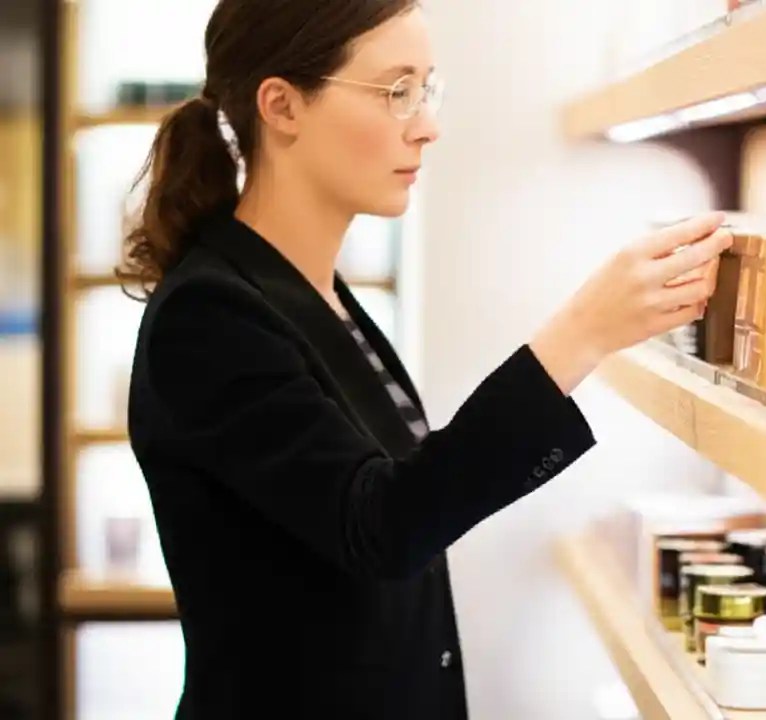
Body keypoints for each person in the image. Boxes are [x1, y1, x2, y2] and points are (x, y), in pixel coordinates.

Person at [120, 1, 730, 718]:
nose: (427, 123)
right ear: (282, 106)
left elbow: (402, 498)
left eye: (427, 89)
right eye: (396, 91)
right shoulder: (211, 319)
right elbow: (381, 525)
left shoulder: (320, 297)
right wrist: (580, 334)